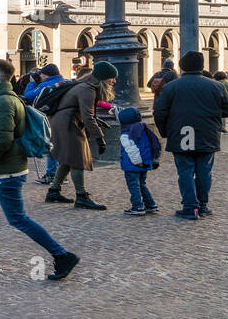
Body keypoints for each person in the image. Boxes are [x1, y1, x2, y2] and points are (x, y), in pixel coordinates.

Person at [0, 58, 79, 280]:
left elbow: (2, 139)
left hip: (5, 172)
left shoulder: (3, 102)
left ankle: (62, 255)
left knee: (17, 218)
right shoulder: (1, 98)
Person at [153, 50, 228, 219]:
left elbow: (159, 112)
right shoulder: (216, 85)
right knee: (204, 171)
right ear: (201, 66)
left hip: (181, 134)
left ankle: (190, 207)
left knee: (185, 171)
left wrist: (166, 132)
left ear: (182, 66)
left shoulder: (170, 87)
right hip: (208, 134)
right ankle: (203, 205)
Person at [45, 61, 111, 211]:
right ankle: (81, 196)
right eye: (112, 78)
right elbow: (88, 116)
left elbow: (84, 112)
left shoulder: (84, 86)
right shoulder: (87, 89)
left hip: (63, 122)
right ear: (103, 78)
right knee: (77, 159)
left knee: (67, 159)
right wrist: (100, 138)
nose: (114, 81)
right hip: (68, 124)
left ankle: (54, 191)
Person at [117, 105, 160, 216]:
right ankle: (150, 205)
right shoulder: (144, 129)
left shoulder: (126, 135)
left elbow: (132, 151)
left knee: (133, 185)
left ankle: (137, 206)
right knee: (142, 184)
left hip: (133, 165)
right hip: (145, 163)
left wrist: (138, 162)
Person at [25, 63, 64, 184]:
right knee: (59, 145)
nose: (40, 76)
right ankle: (61, 175)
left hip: (51, 117)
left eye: (41, 74)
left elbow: (29, 95)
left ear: (46, 75)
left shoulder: (46, 84)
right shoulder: (63, 81)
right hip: (63, 117)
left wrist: (32, 82)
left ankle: (51, 174)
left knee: (51, 145)